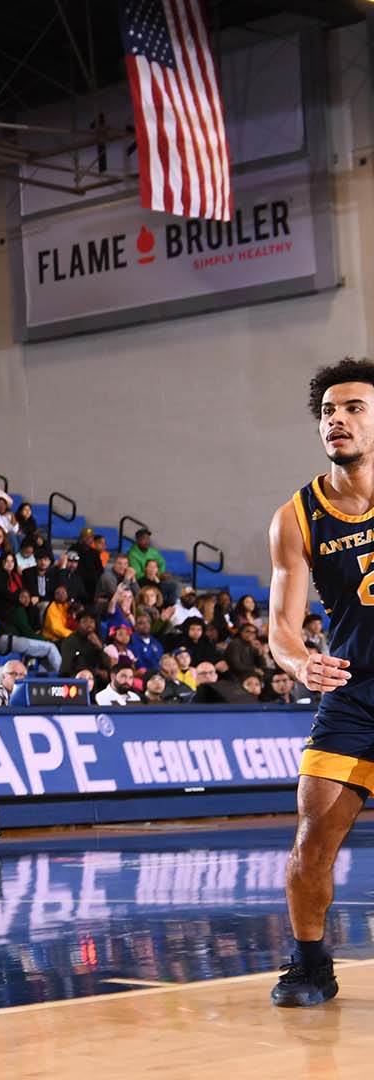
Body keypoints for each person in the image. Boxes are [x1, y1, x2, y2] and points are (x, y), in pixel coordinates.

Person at [260, 358, 374, 1006]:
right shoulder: (296, 518)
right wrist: (301, 662)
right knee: (312, 840)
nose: (338, 418)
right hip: (354, 694)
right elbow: (281, 628)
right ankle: (310, 965)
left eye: (355, 407)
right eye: (329, 410)